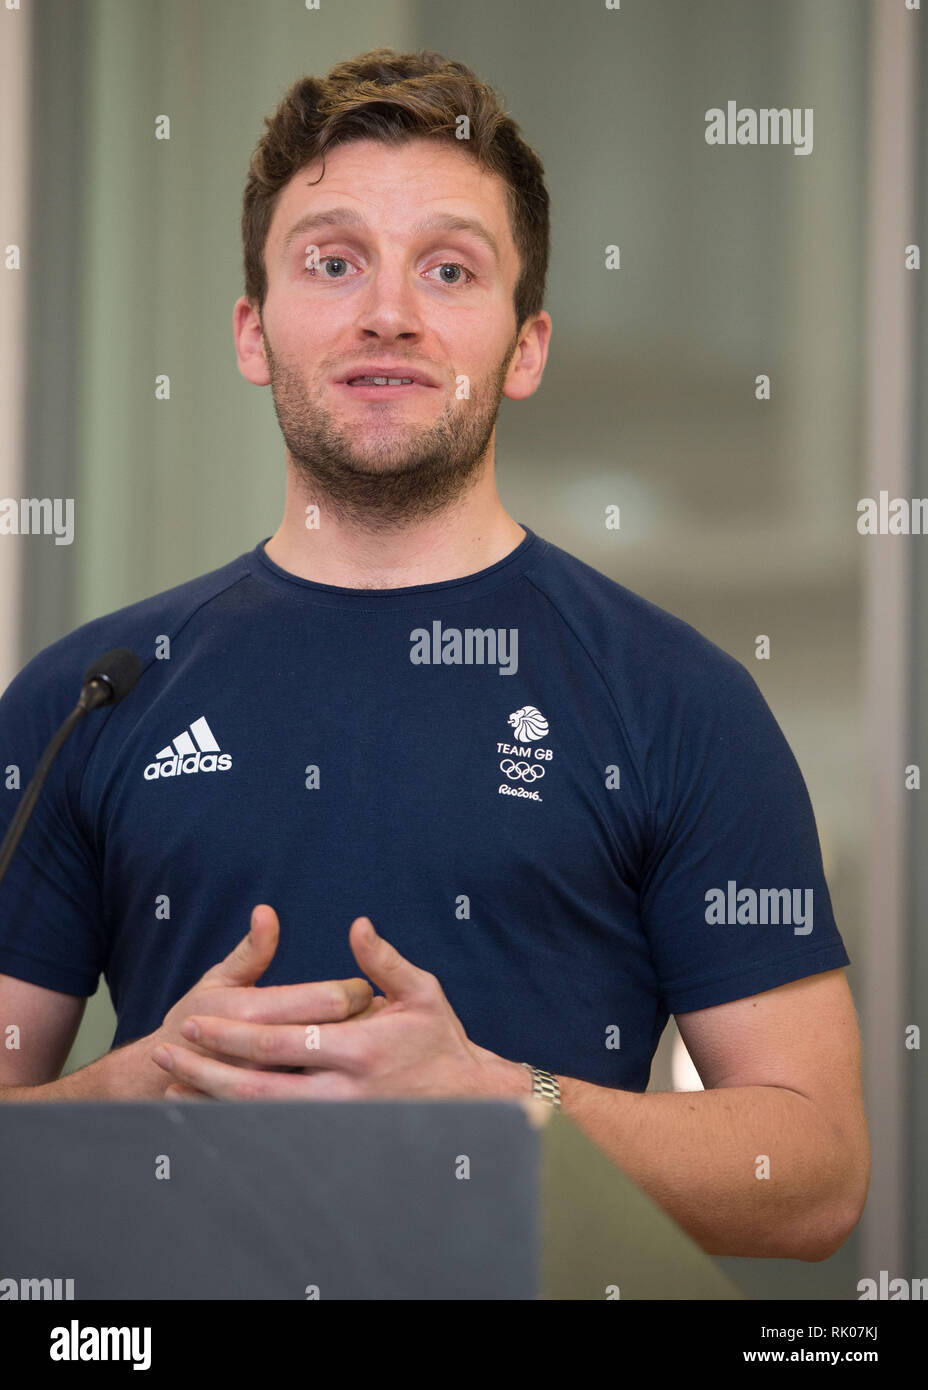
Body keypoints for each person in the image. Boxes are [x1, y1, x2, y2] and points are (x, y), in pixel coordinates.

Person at [0, 48, 868, 1261]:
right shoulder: (86, 697)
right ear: (253, 330)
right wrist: (129, 1094)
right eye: (332, 260)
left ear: (525, 346)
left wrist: (514, 1103)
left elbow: (815, 1175)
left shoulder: (680, 703)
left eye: (449, 268)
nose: (388, 312)